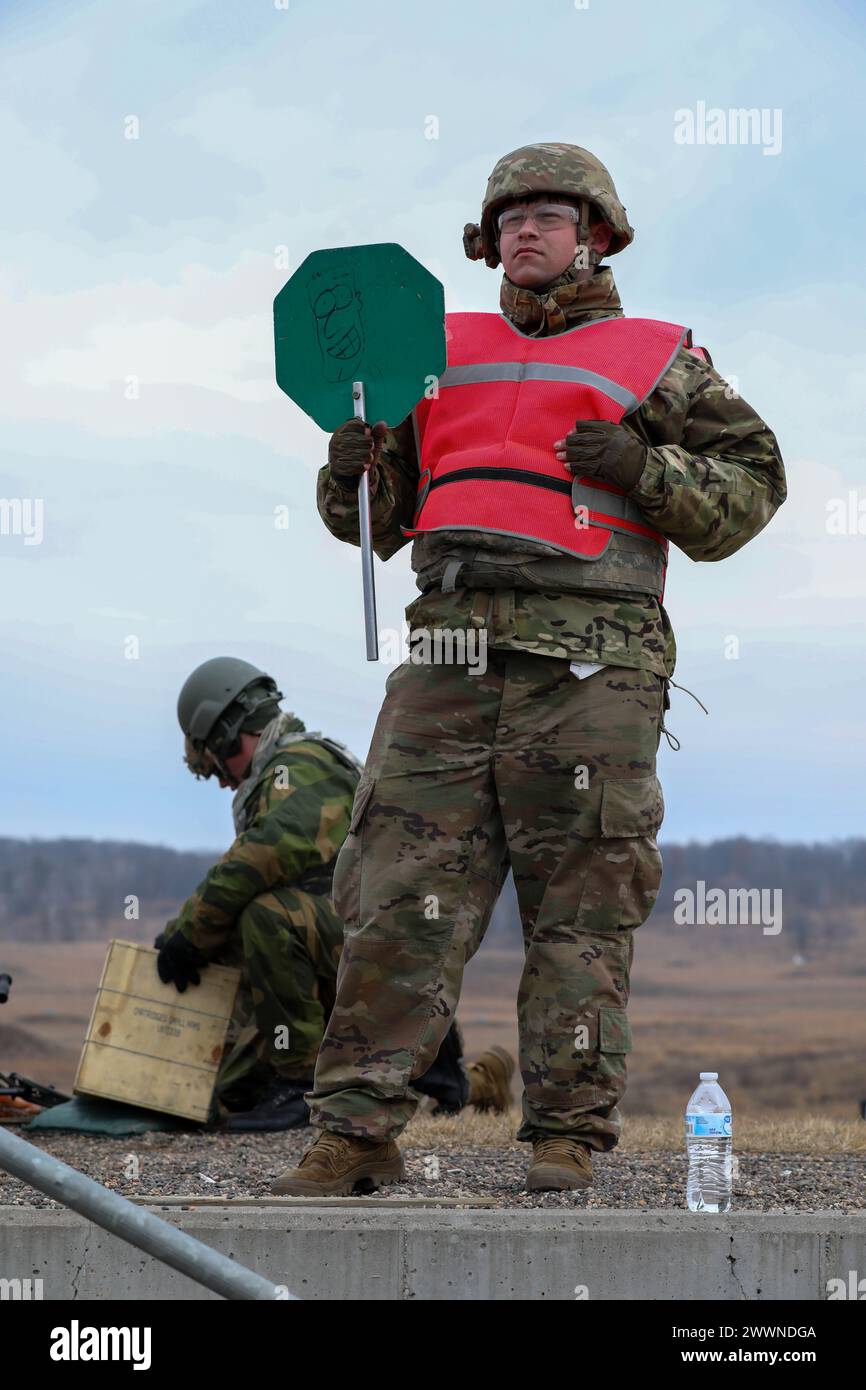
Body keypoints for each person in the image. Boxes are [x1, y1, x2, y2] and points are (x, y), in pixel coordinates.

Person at [272, 142, 786, 1193]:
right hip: (446, 660)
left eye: (547, 213)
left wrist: (642, 467)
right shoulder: (430, 348)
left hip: (593, 670)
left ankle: (563, 1136)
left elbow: (752, 487)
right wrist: (348, 472)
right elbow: (372, 518)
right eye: (506, 217)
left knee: (581, 906)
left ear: (594, 232)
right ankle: (356, 1132)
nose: (522, 230)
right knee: (393, 893)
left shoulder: (658, 356)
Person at [158, 656, 513, 1129]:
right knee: (229, 1093)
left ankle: (297, 1082)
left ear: (226, 735)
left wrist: (189, 937)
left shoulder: (301, 769)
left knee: (266, 915)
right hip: (362, 953)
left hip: (381, 958)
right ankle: (473, 1079)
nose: (223, 780)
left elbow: (256, 861)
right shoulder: (292, 771)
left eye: (214, 763)